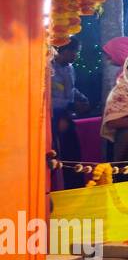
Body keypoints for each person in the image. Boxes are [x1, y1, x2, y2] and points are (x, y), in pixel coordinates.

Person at [50, 38, 89, 189]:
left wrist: (82, 99)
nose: (76, 56)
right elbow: (47, 97)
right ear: (63, 51)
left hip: (67, 115)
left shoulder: (69, 68)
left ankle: (74, 187)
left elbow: (70, 90)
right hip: (52, 119)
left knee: (72, 155)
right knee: (56, 156)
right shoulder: (48, 67)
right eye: (74, 52)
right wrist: (71, 105)